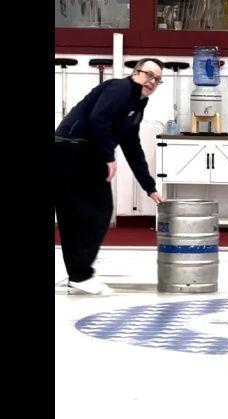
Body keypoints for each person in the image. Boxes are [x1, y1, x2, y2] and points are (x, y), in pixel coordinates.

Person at [55, 58, 165, 295]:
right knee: (97, 211)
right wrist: (109, 157)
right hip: (73, 148)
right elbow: (98, 119)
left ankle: (78, 274)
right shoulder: (120, 88)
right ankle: (80, 274)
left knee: (78, 215)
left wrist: (149, 186)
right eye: (149, 74)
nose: (152, 81)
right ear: (136, 73)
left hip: (78, 151)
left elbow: (131, 145)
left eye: (157, 79)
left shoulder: (137, 103)